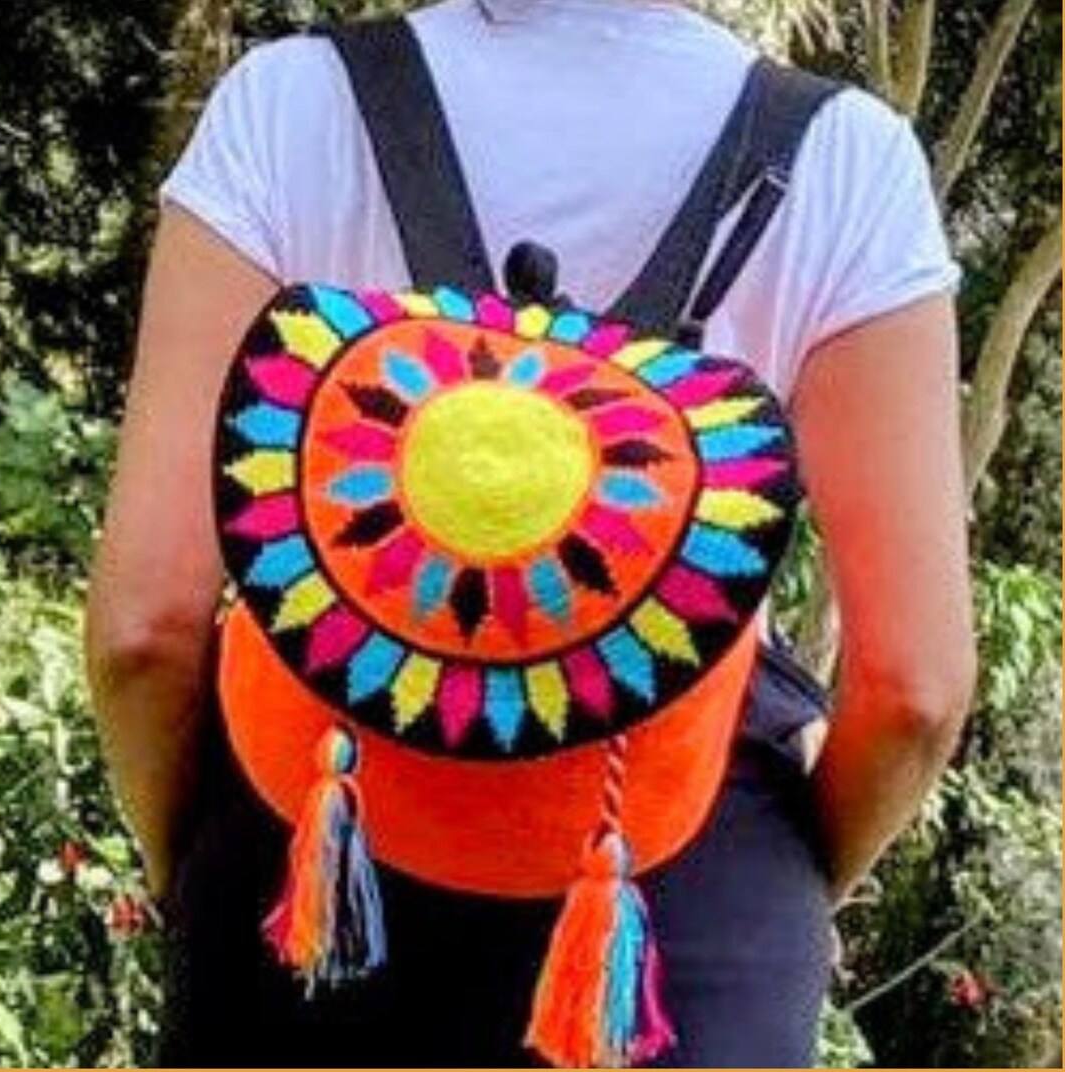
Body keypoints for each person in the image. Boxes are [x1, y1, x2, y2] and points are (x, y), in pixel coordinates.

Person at [84, 0, 977, 1065]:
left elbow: (145, 632)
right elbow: (917, 692)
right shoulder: (846, 160)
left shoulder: (290, 107)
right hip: (666, 894)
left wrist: (185, 864)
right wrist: (781, 877)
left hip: (310, 851)